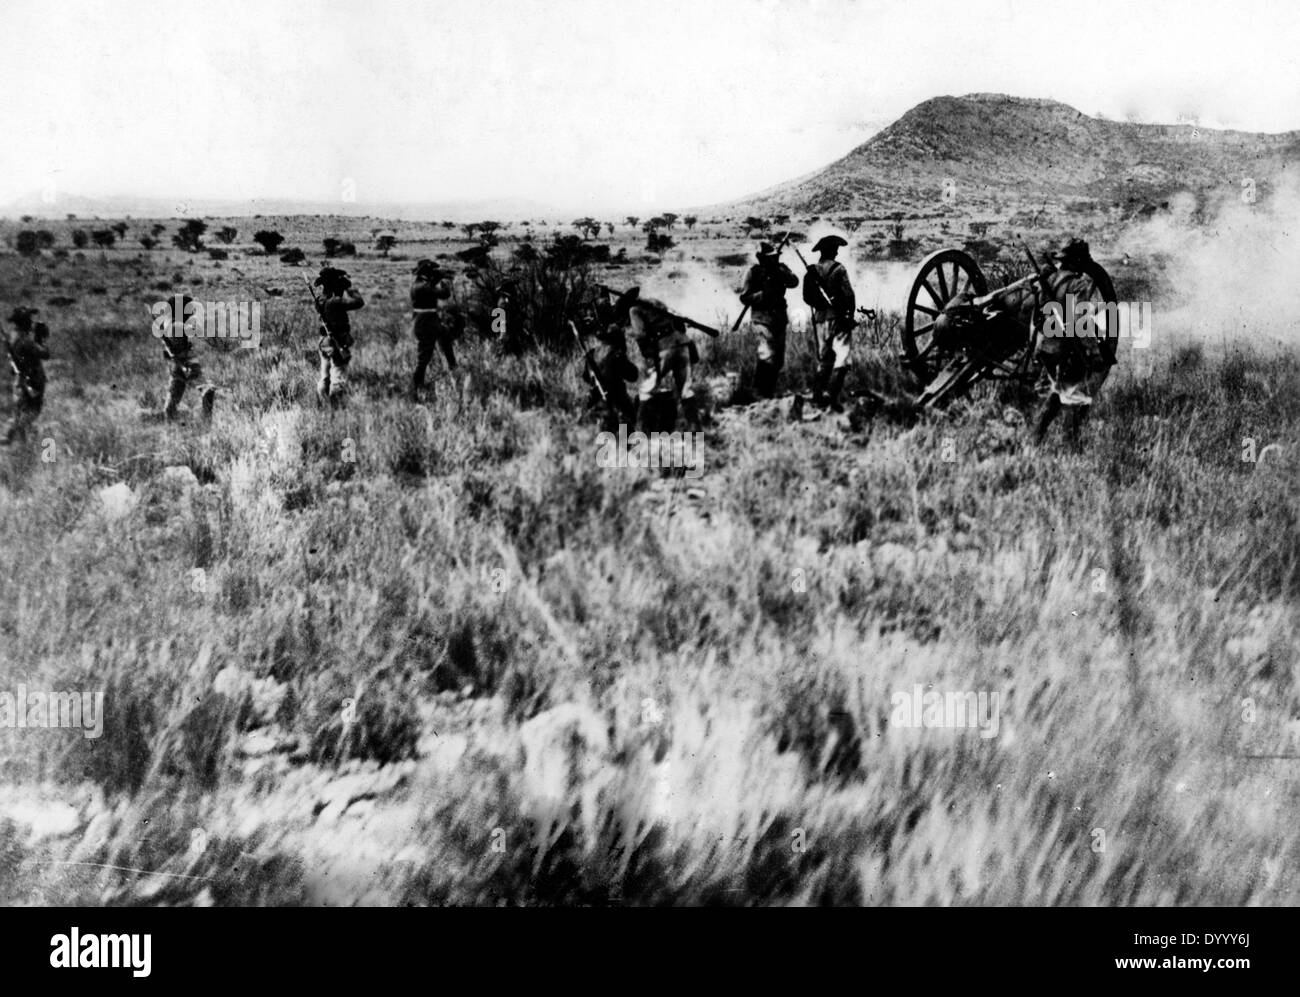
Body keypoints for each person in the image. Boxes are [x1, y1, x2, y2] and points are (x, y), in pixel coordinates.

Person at [1032, 238, 1115, 443]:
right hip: (1067, 350)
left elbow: (1041, 310)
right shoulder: (1079, 284)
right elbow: (1081, 322)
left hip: (1046, 347)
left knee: (1059, 391)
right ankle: (1070, 441)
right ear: (1078, 262)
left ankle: (1038, 437)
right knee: (1079, 395)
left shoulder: (1050, 280)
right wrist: (1094, 352)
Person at [617, 287, 700, 432]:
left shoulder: (634, 310)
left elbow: (641, 335)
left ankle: (641, 430)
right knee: (686, 388)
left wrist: (648, 354)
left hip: (664, 349)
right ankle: (695, 428)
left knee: (646, 390)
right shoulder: (655, 302)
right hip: (682, 343)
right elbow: (677, 320)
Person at [803, 235, 856, 411]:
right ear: (831, 251)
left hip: (819, 320)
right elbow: (849, 295)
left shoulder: (812, 272)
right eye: (835, 249)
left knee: (825, 360)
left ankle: (817, 397)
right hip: (838, 319)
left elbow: (807, 297)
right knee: (843, 359)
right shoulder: (839, 269)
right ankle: (831, 399)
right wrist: (849, 315)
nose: (837, 251)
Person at [740, 241, 798, 398]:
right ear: (761, 258)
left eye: (775, 257)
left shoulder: (781, 269)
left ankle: (768, 392)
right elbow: (745, 297)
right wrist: (762, 295)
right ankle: (758, 391)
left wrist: (779, 272)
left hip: (779, 319)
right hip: (762, 319)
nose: (773, 260)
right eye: (770, 258)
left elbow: (794, 282)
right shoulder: (753, 272)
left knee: (778, 360)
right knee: (766, 355)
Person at [149, 294, 215, 422]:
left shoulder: (172, 325)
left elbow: (176, 348)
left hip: (182, 362)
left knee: (172, 405)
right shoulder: (176, 325)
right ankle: (204, 422)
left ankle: (203, 422)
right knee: (171, 405)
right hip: (182, 362)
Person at [574, 300, 637, 432]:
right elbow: (633, 375)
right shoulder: (616, 354)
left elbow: (586, 377)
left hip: (595, 401)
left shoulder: (592, 353)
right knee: (630, 417)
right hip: (616, 402)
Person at [313, 266, 364, 408]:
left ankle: (322, 404)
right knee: (338, 375)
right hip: (337, 340)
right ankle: (336, 407)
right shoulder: (335, 302)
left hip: (324, 341)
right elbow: (359, 302)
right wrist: (350, 289)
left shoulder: (320, 300)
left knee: (325, 375)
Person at [410, 259, 459, 401]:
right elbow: (444, 294)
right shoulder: (421, 286)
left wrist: (437, 278)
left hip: (430, 320)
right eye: (432, 271)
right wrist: (444, 282)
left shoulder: (421, 283)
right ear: (426, 272)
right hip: (425, 322)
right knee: (424, 357)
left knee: (446, 338)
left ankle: (453, 368)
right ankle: (416, 385)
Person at [2, 306, 50, 446]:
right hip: (31, 380)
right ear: (24, 322)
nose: (31, 322)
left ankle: (18, 442)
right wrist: (40, 339)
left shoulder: (13, 336)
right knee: (31, 412)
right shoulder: (25, 340)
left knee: (20, 411)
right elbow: (45, 354)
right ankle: (11, 438)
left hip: (20, 380)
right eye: (28, 319)